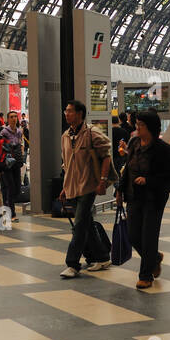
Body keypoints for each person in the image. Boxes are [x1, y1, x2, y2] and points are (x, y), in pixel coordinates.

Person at [114, 110, 170, 289]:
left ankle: (145, 275)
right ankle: (154, 258)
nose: (137, 127)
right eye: (137, 124)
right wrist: (119, 190)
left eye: (141, 125)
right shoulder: (134, 143)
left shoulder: (163, 149)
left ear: (150, 128)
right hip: (133, 195)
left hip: (153, 198)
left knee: (149, 236)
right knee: (133, 235)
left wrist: (149, 180)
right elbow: (128, 168)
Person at [59, 100, 113, 278]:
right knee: (86, 224)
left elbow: (106, 156)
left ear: (80, 114)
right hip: (72, 187)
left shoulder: (92, 133)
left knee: (80, 226)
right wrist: (64, 187)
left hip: (88, 186)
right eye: (65, 111)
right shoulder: (66, 136)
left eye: (70, 111)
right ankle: (103, 257)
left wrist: (103, 180)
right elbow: (67, 165)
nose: (66, 114)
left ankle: (73, 264)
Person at [0, 111, 25, 219]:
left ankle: (6, 204)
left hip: (16, 162)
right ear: (8, 119)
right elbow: (2, 147)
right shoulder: (4, 132)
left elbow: (20, 144)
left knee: (17, 188)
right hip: (7, 163)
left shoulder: (19, 132)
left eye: (15, 116)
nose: (14, 118)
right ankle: (12, 213)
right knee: (10, 187)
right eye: (11, 117)